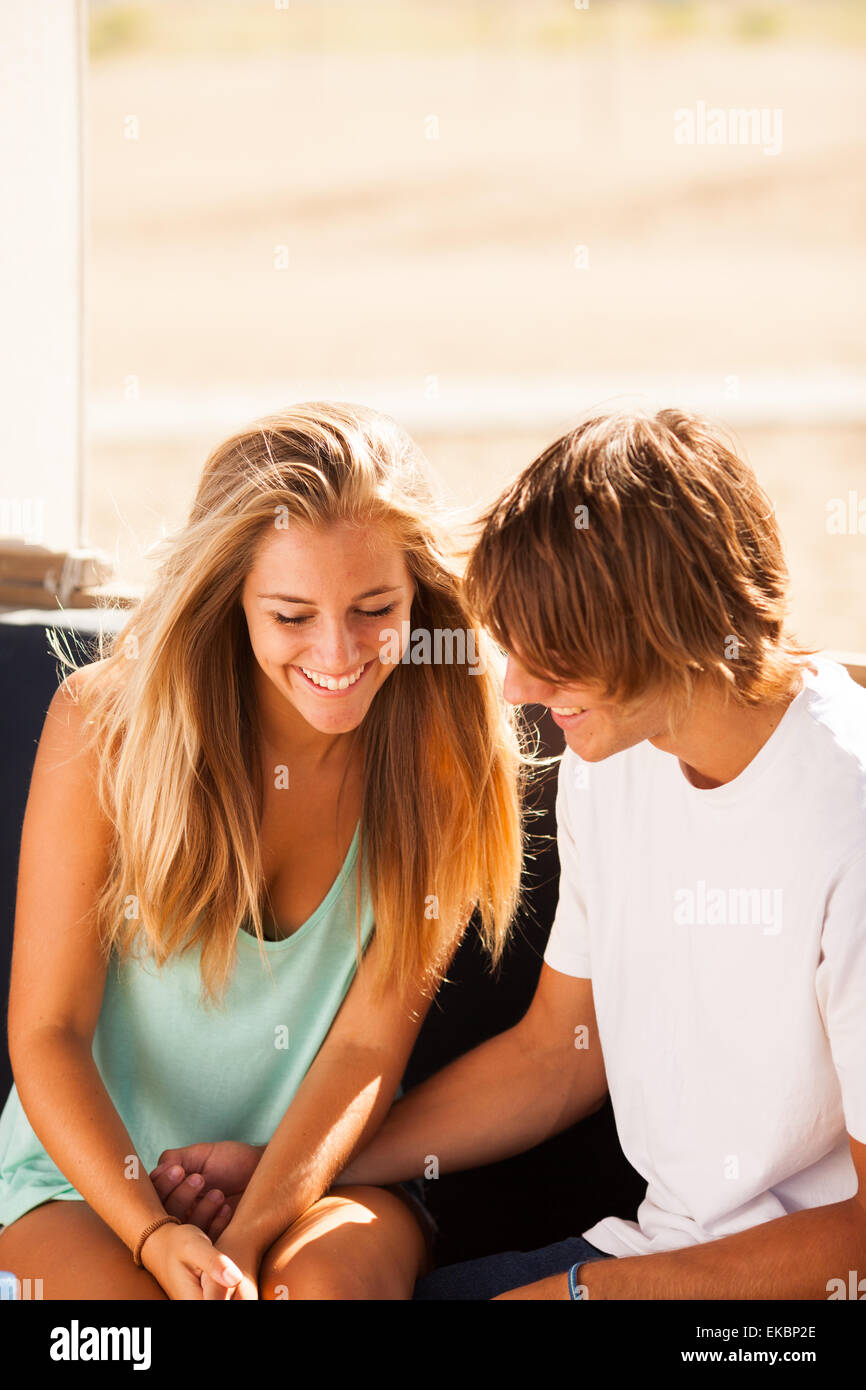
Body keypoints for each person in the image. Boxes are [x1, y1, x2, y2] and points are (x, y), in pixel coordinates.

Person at [165, 407, 866, 1299]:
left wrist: (585, 1296)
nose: (520, 689)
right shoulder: (611, 758)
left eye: (557, 658)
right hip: (648, 1254)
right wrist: (286, 1175)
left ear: (669, 630)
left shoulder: (847, 814)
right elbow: (554, 1058)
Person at [0, 402, 525, 1300]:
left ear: (418, 598)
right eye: (290, 616)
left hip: (316, 1181)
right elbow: (48, 1035)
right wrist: (156, 1235)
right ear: (230, 599)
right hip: (87, 1188)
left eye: (375, 609)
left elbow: (365, 1052)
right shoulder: (105, 728)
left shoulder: (442, 762)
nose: (338, 653)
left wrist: (245, 1241)